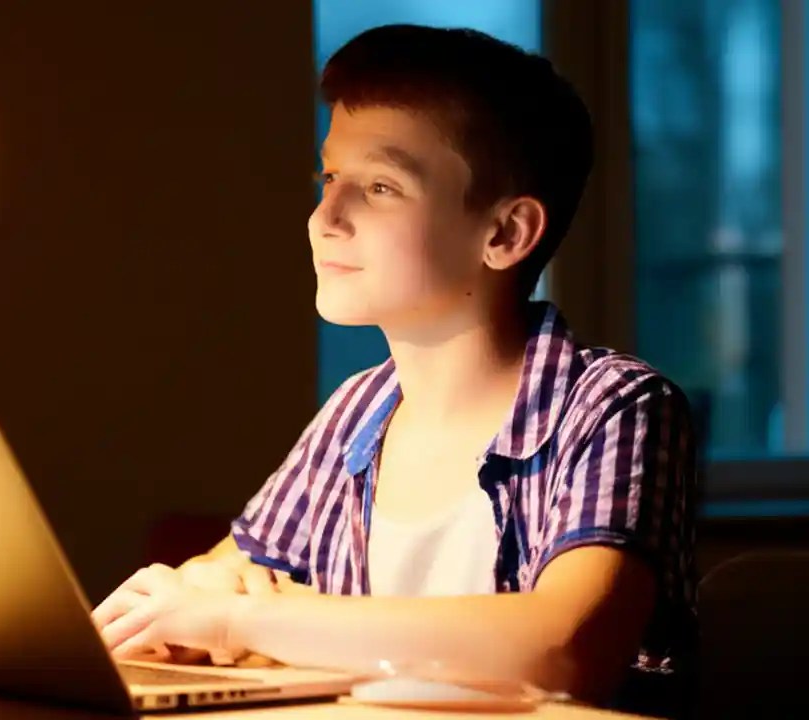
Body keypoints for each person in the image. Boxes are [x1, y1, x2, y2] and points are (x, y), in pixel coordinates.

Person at [92, 24, 698, 716]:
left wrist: (247, 622)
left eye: (380, 186)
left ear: (504, 234)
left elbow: (563, 649)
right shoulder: (358, 410)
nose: (326, 216)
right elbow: (214, 579)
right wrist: (184, 610)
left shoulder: (614, 407)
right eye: (329, 178)